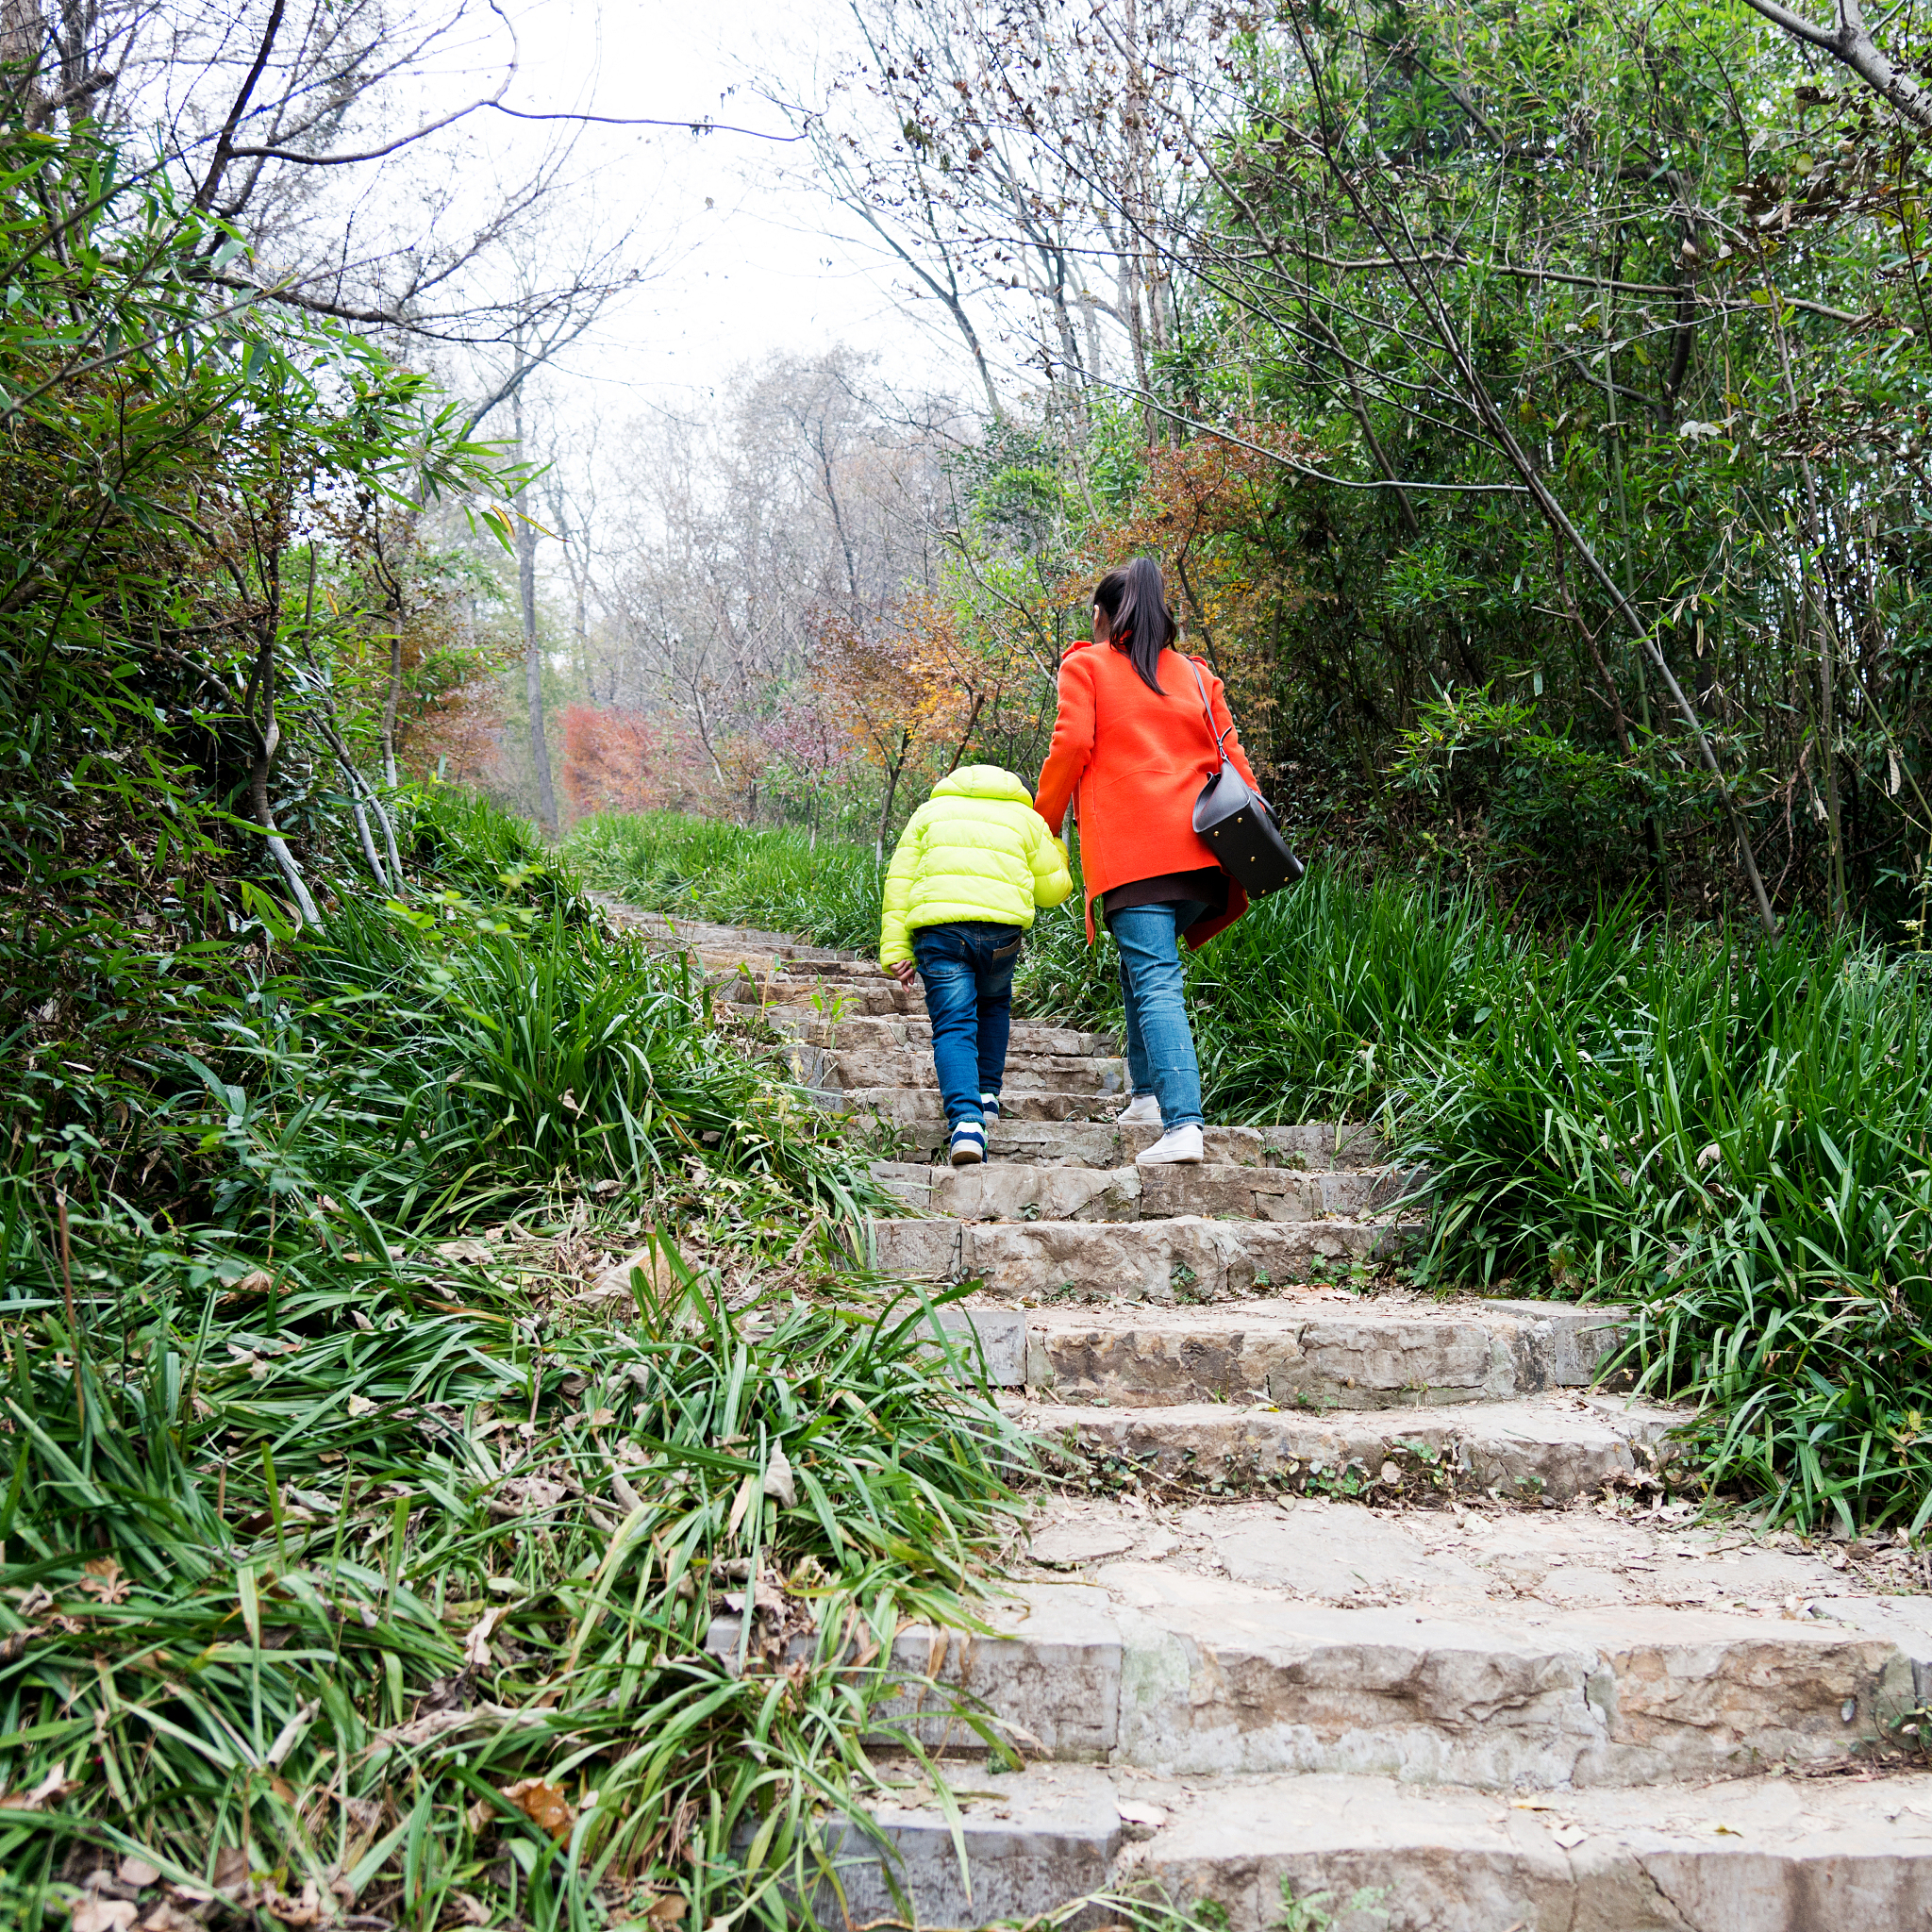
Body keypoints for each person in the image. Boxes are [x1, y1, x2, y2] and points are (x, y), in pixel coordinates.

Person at [1032, 558, 1263, 1165]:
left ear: (1109, 617)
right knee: (1145, 966)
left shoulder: (1086, 666)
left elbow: (1073, 744)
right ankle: (1143, 1094)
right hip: (1205, 854)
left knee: (1155, 976)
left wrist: (1043, 820)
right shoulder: (1194, 675)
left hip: (1135, 857)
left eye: (1094, 613)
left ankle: (1183, 1123)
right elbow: (1232, 756)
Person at [878, 764, 1074, 1167]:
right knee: (994, 1003)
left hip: (941, 933)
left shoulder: (928, 813)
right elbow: (1054, 890)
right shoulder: (1025, 817)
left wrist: (897, 949)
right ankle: (986, 1096)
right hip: (1002, 935)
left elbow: (900, 882)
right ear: (1010, 786)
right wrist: (1057, 845)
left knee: (954, 1025)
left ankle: (966, 1124)